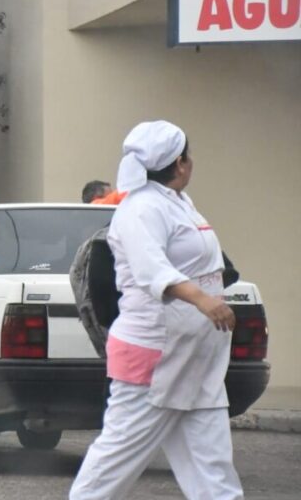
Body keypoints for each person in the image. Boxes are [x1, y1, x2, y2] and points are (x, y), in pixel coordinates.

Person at [70, 121, 241, 499]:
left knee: (212, 467)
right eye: (189, 155)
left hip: (196, 358)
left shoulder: (178, 201)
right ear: (180, 163)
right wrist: (204, 300)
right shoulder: (140, 209)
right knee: (116, 457)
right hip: (155, 357)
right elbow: (152, 271)